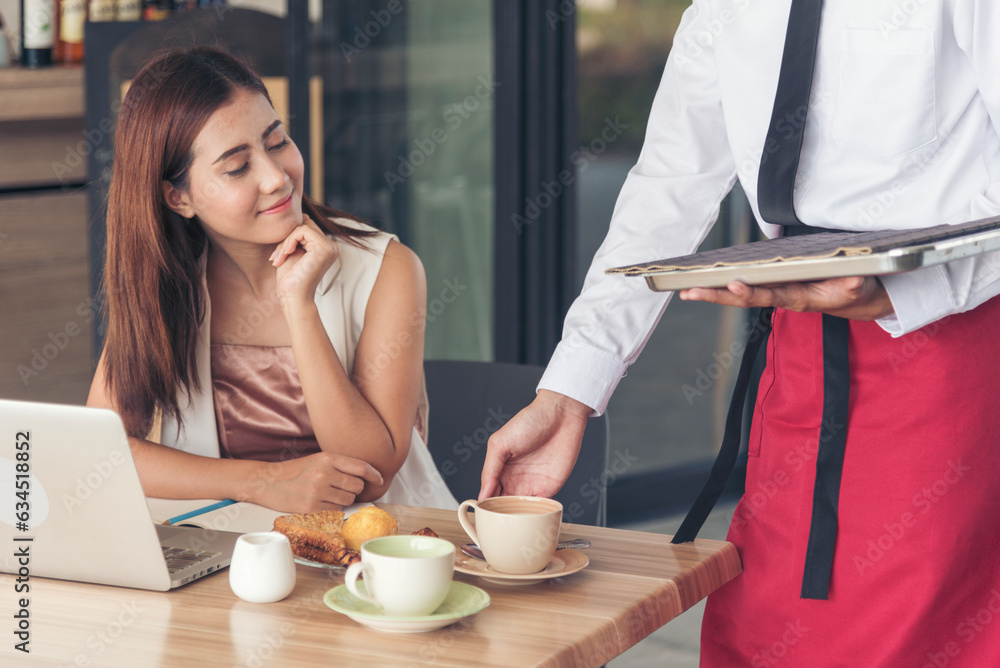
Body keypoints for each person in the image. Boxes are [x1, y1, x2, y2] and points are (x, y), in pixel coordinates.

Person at [481, 1, 1000, 665]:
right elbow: (666, 191)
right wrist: (570, 391)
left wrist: (907, 288)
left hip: (951, 360)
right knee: (759, 630)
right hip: (800, 358)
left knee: (923, 631)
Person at [87, 46, 457, 513]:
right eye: (238, 167)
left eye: (277, 141)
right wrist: (260, 481)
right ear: (178, 197)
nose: (276, 178)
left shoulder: (387, 268)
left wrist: (299, 306)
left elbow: (371, 473)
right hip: (232, 552)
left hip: (376, 555)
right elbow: (101, 451)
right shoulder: (168, 282)